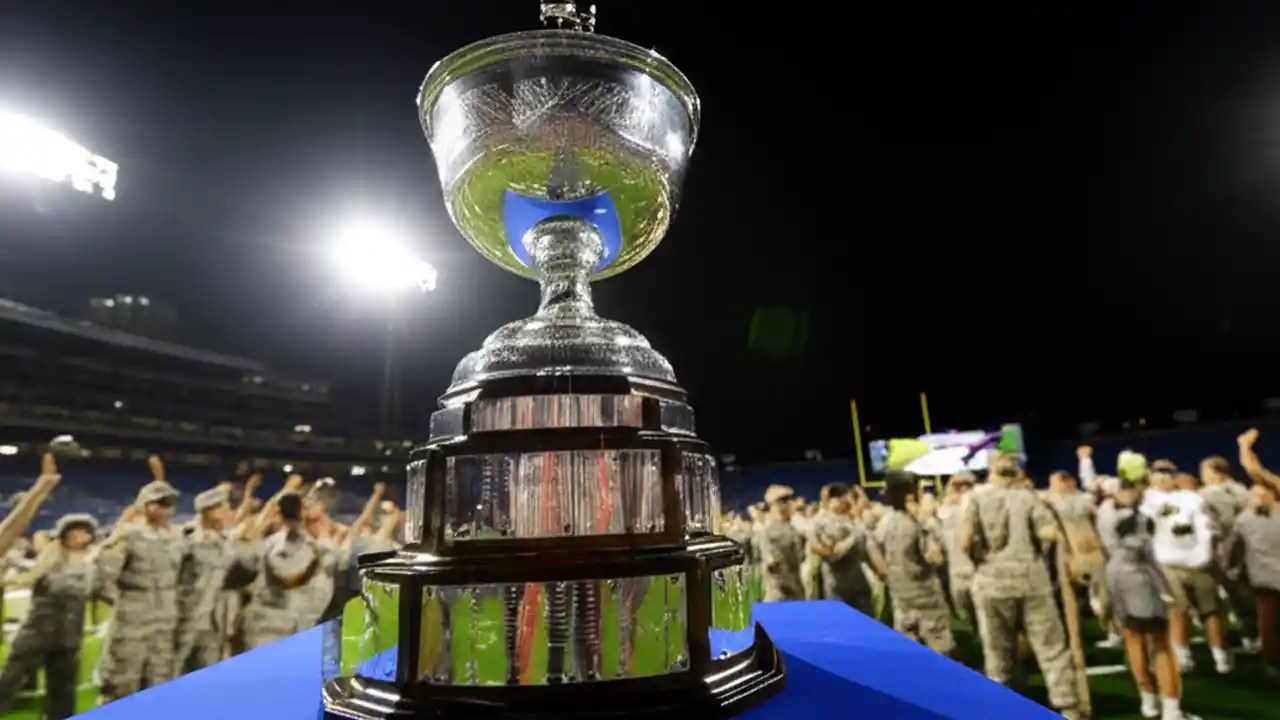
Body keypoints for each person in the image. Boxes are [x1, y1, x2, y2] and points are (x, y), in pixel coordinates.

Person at [960, 454, 1081, 720]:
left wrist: (980, 561)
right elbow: (1048, 532)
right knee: (1050, 648)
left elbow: (965, 541)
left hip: (991, 580)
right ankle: (1068, 706)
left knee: (997, 652)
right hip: (1031, 578)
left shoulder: (976, 498)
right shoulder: (1027, 497)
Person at [96, 457, 184, 703]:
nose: (166, 509)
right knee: (121, 683)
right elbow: (104, 577)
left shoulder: (177, 537)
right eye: (160, 503)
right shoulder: (128, 535)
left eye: (170, 504)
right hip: (132, 623)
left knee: (159, 682)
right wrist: (126, 604)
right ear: (145, 506)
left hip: (164, 623)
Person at [0, 513, 99, 720]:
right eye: (73, 532)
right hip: (36, 634)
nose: (78, 536)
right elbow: (28, 577)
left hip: (68, 638)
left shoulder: (93, 563)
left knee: (63, 693)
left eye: (83, 532)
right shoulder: (50, 559)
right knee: (9, 681)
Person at [1107, 504, 1199, 720]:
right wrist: (1173, 598)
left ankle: (1148, 700)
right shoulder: (1147, 544)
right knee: (1161, 647)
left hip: (1122, 592)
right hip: (1146, 594)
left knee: (1134, 642)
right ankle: (1171, 709)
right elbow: (1158, 572)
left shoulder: (1117, 552)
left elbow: (1111, 578)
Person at [1140, 459, 1231, 674]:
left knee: (1210, 611)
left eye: (1168, 473)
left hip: (1197, 562)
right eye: (1159, 473)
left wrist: (1203, 556)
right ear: (1151, 476)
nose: (1164, 477)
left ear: (1175, 476)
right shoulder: (1145, 501)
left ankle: (1221, 656)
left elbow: (1205, 528)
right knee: (1177, 611)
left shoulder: (1192, 498)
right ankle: (1182, 655)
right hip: (1168, 563)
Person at [876, 471, 954, 656]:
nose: (881, 492)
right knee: (927, 649)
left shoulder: (896, 520)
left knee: (924, 649)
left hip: (911, 595)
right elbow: (936, 558)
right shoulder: (907, 520)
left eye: (885, 488)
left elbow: (936, 558)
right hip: (914, 595)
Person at [175, 486, 239, 675]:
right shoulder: (186, 537)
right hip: (185, 620)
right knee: (170, 674)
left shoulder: (225, 540)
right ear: (210, 511)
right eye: (224, 506)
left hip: (214, 622)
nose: (228, 511)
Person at [1199, 455, 1257, 653]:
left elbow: (1220, 523)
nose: (1202, 476)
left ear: (1217, 473)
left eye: (1205, 471)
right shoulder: (1241, 489)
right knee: (1248, 589)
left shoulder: (1209, 494)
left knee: (1237, 590)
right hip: (1248, 543)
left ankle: (1250, 634)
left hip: (1226, 545)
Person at [1223, 481, 1280, 684]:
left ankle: (1272, 662)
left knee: (1269, 623)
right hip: (1264, 579)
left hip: (1267, 576)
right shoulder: (1244, 520)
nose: (1260, 498)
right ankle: (1272, 663)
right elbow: (1235, 547)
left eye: (1264, 494)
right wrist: (1232, 567)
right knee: (1268, 623)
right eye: (1256, 495)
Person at [809, 483, 886, 615]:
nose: (849, 503)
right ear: (836, 500)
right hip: (838, 589)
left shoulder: (853, 521)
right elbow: (833, 555)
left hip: (859, 586)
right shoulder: (821, 523)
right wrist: (855, 533)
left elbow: (866, 549)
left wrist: (880, 571)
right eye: (845, 499)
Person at [938, 471, 978, 627]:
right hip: (956, 572)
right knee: (964, 615)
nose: (962, 491)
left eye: (966, 486)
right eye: (958, 487)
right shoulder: (944, 511)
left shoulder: (979, 508)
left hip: (978, 572)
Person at [755, 485, 805, 602]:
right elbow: (771, 563)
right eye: (783, 501)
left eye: (788, 501)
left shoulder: (794, 529)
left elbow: (800, 557)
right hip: (778, 591)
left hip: (796, 588)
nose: (788, 505)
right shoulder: (767, 531)